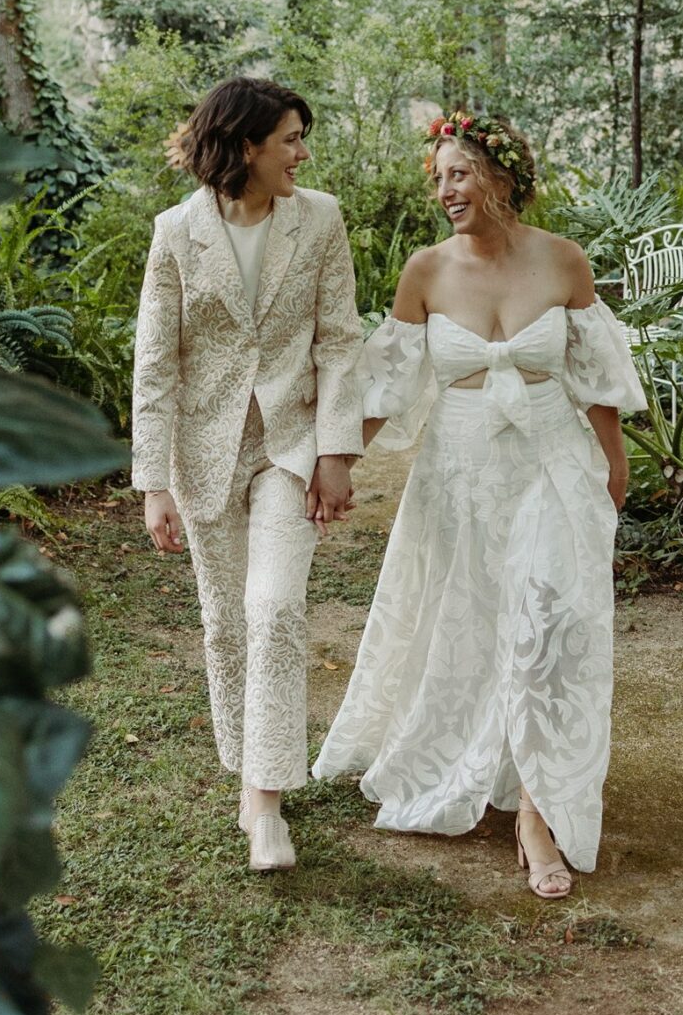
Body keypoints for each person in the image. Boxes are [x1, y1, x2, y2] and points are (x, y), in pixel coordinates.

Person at [314, 111, 645, 899]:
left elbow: (596, 377)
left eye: (457, 172)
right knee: (474, 622)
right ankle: (478, 760)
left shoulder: (563, 261)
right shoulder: (425, 272)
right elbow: (389, 384)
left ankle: (537, 811)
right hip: (459, 476)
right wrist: (335, 461)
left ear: (501, 175)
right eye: (438, 178)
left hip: (550, 464)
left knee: (551, 622)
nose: (444, 190)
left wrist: (613, 461)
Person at [132, 76, 364, 872]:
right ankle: (247, 777)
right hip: (203, 451)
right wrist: (153, 482)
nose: (303, 153)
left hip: (290, 445)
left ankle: (267, 804)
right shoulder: (175, 232)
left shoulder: (321, 220)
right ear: (244, 147)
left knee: (273, 610)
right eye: (291, 139)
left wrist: (335, 452)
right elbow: (155, 366)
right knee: (226, 625)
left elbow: (339, 340)